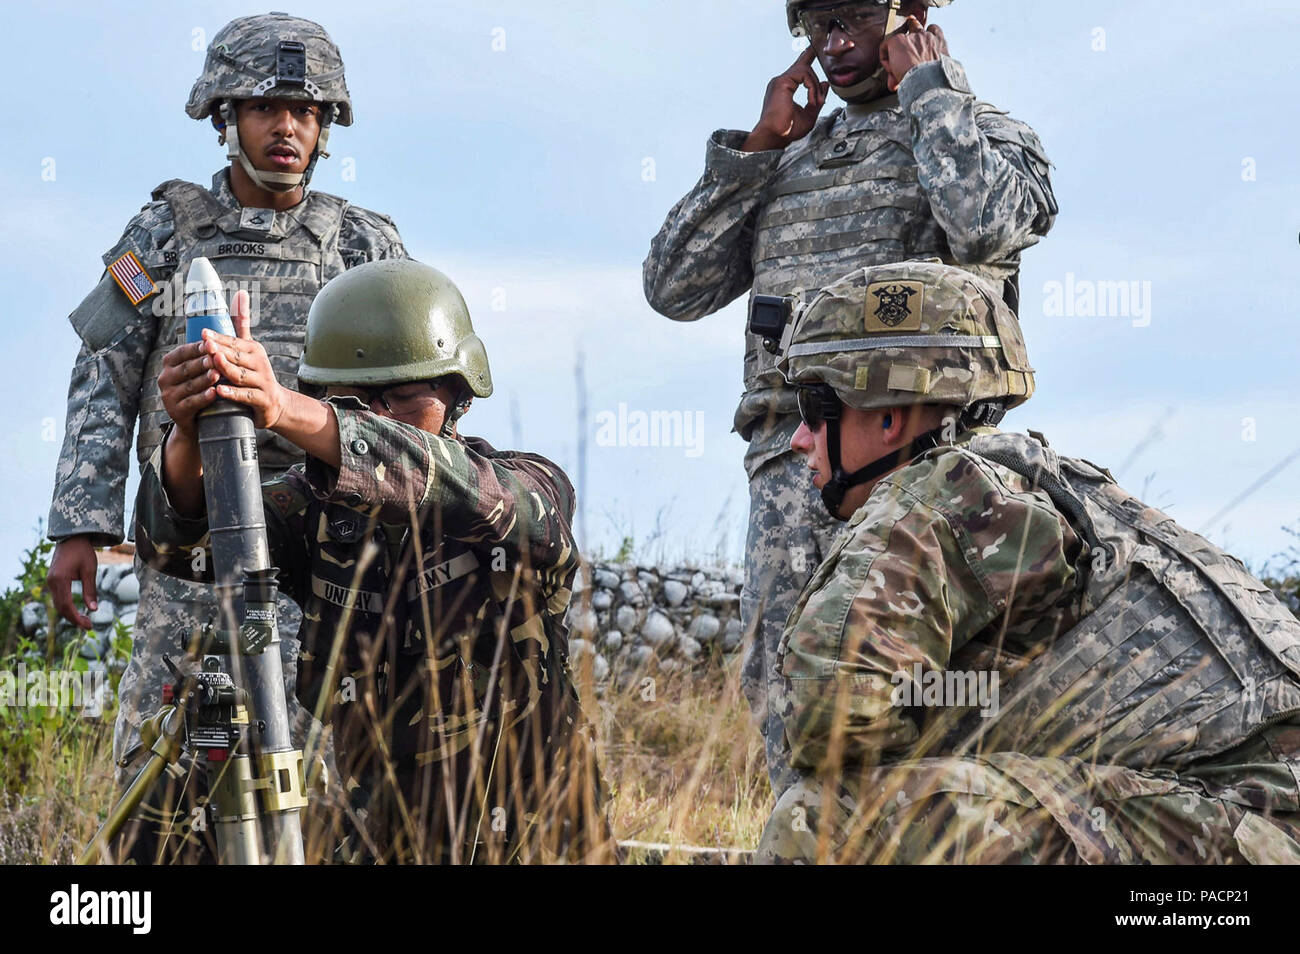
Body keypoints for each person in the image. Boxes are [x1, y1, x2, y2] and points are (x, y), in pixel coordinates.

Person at [642, 0, 1058, 796]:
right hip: (791, 466)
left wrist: (932, 96)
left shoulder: (976, 132)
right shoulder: (793, 158)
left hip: (925, 470)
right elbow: (674, 288)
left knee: (929, 687)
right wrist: (760, 149)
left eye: (856, 19)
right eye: (818, 26)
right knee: (790, 683)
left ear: (913, 15)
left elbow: (985, 228)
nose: (834, 44)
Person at [754, 259, 1300, 864]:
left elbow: (826, 713)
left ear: (890, 419)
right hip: (1245, 827)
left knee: (825, 820)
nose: (800, 438)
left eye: (813, 406)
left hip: (1244, 834)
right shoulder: (1056, 488)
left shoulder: (951, 489)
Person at [42, 13, 408, 829]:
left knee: (310, 793)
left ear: (325, 128)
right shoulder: (163, 236)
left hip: (322, 558)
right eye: (265, 107)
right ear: (224, 116)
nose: (287, 128)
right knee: (160, 793)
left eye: (307, 112)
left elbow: (415, 405)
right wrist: (79, 527)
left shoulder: (365, 245)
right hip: (188, 549)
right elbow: (102, 372)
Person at [135, 260, 609, 863]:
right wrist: (195, 428)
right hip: (380, 842)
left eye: (406, 399)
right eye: (351, 404)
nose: (378, 421)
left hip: (538, 841)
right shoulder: (315, 514)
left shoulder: (523, 486)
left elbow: (472, 492)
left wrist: (282, 407)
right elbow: (179, 545)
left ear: (459, 396)